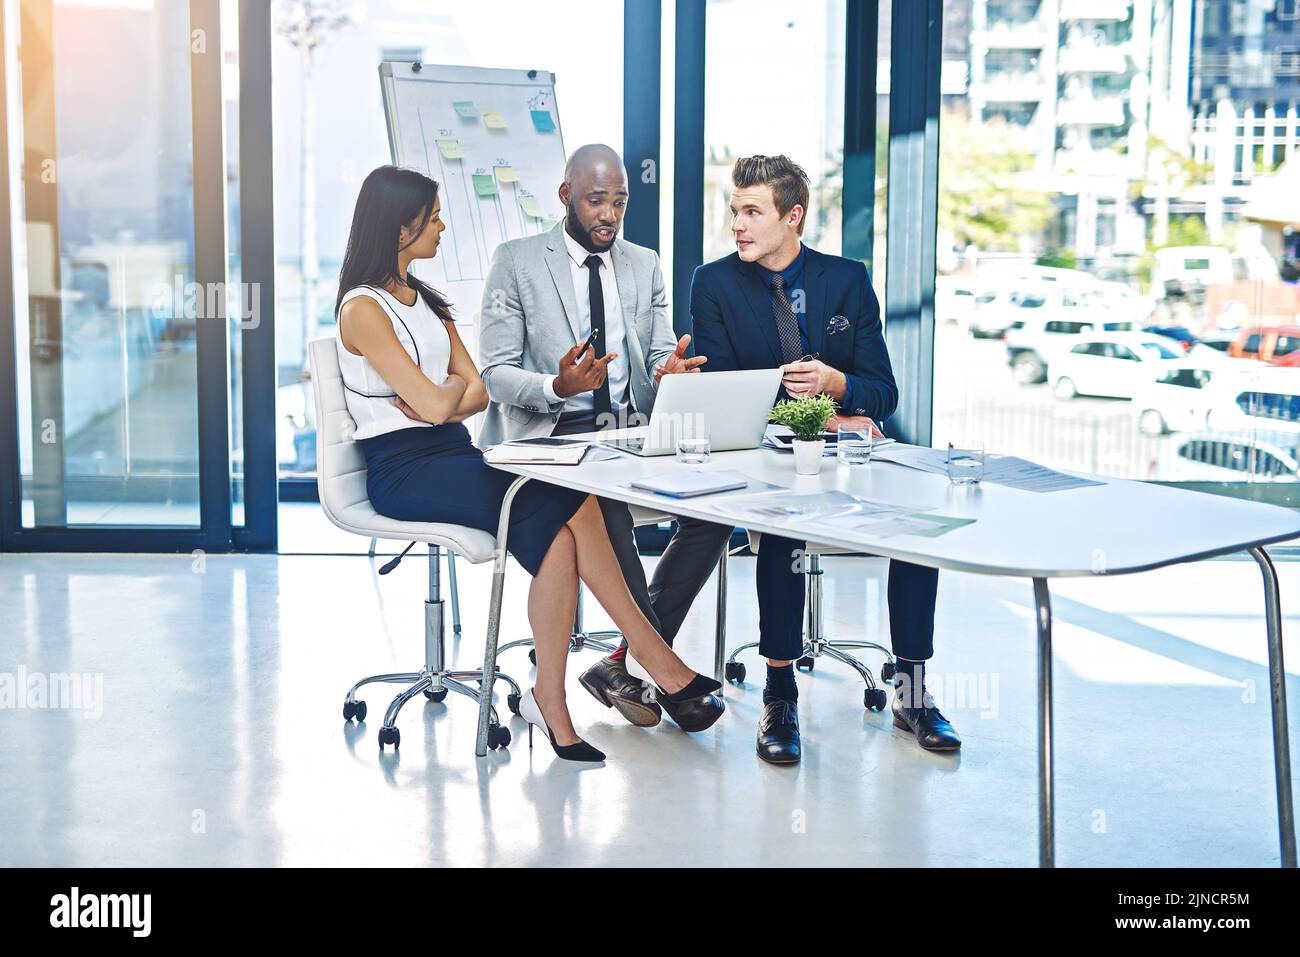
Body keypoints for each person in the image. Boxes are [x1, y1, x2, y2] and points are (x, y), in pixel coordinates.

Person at [334, 165, 723, 762]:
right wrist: (442, 398)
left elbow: (473, 393)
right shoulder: (363, 308)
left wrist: (438, 399)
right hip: (402, 471)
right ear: (399, 226)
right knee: (569, 500)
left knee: (564, 524)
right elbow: (450, 395)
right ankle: (648, 659)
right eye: (432, 215)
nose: (442, 223)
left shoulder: (426, 299)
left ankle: (557, 696)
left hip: (455, 453)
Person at [690, 154, 961, 765]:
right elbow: (725, 395)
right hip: (768, 460)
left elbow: (883, 394)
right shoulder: (713, 284)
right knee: (783, 532)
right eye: (734, 211)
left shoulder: (846, 280)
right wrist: (806, 418)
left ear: (794, 217)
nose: (738, 224)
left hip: (852, 458)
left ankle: (912, 695)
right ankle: (780, 694)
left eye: (752, 212)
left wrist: (838, 384)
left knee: (916, 530)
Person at [479, 144, 733, 732]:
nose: (609, 216)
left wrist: (667, 372)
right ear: (566, 196)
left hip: (629, 432)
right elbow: (494, 371)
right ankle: (663, 670)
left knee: (715, 511)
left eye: (619, 202)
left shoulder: (644, 264)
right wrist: (557, 384)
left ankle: (623, 661)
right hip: (550, 441)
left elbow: (657, 353)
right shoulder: (516, 261)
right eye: (596, 201)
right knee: (601, 501)